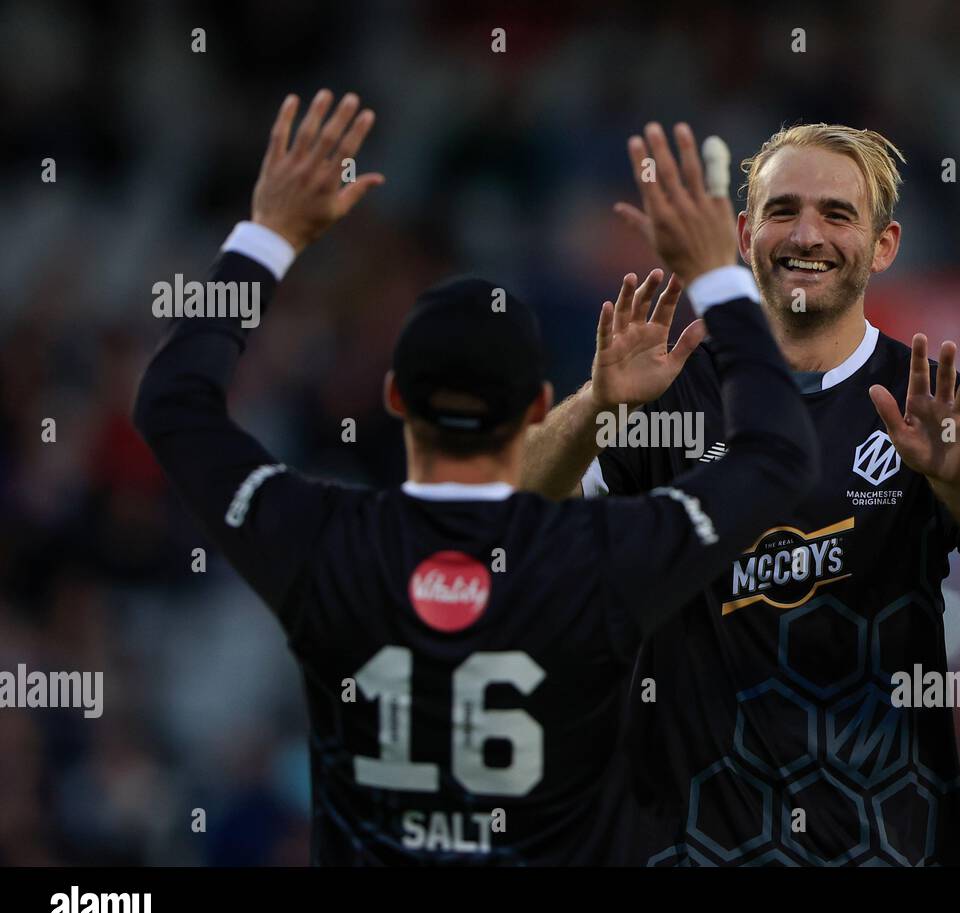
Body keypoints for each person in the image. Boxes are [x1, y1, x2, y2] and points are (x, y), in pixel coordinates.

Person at [133, 90, 818, 864]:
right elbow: (779, 452)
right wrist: (714, 275)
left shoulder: (320, 540)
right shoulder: (600, 556)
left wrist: (269, 237)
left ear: (395, 399)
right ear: (535, 406)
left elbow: (171, 402)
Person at [521, 121, 960, 866]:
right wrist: (598, 405)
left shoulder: (926, 404)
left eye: (837, 214)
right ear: (748, 233)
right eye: (784, 211)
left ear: (883, 245)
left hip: (889, 845)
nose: (807, 234)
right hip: (689, 848)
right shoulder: (669, 388)